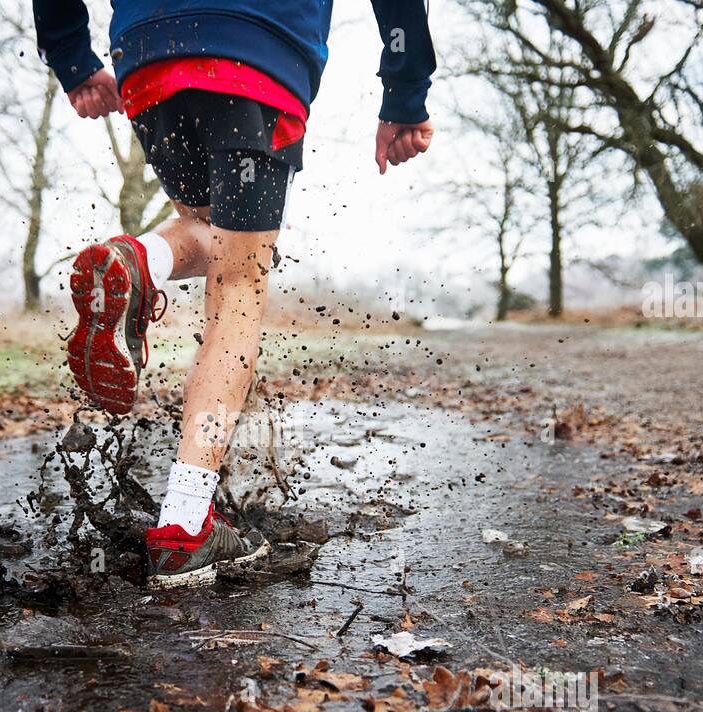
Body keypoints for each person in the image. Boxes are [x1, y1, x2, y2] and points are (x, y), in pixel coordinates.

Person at [33, 1, 436, 588]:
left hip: (150, 56)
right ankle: (184, 525)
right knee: (240, 281)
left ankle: (142, 257)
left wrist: (72, 56)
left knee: (208, 230)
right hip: (259, 59)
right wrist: (405, 92)